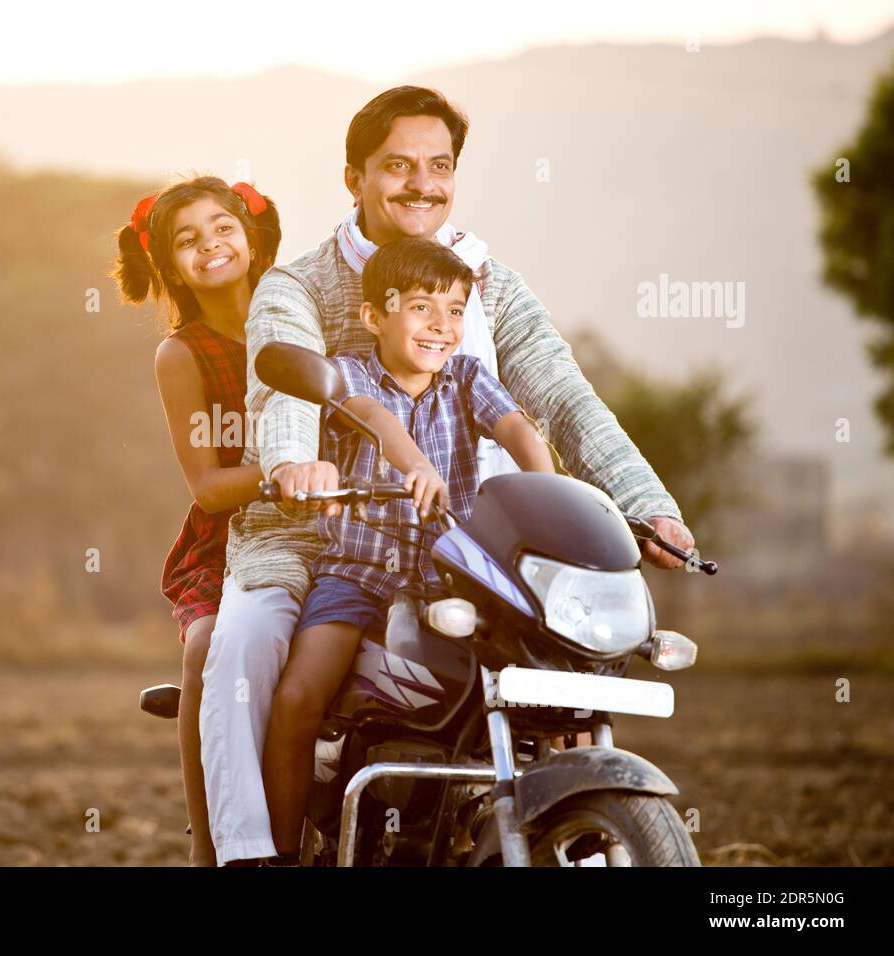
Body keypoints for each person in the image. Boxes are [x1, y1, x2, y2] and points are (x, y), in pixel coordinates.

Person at [199, 85, 695, 865]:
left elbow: (558, 398)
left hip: (467, 540)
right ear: (354, 177)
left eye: (439, 165)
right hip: (319, 528)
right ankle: (251, 852)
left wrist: (640, 502)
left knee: (564, 658)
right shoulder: (298, 284)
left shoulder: (488, 280)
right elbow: (285, 389)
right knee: (245, 647)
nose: (420, 183)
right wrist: (295, 459)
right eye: (396, 165)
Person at [262, 237, 555, 861]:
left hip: (452, 580)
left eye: (454, 311)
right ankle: (277, 853)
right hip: (360, 572)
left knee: (535, 684)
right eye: (422, 307)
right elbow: (375, 417)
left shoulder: (468, 377)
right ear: (375, 317)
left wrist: (549, 495)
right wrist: (416, 466)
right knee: (297, 697)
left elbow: (518, 429)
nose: (440, 326)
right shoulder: (351, 372)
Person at [111, 175, 280, 866]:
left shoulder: (306, 320)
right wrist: (286, 474)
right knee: (205, 643)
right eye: (188, 240)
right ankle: (209, 847)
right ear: (169, 266)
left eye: (221, 228)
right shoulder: (181, 355)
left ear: (251, 235)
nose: (210, 246)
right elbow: (210, 488)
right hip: (231, 538)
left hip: (336, 521)